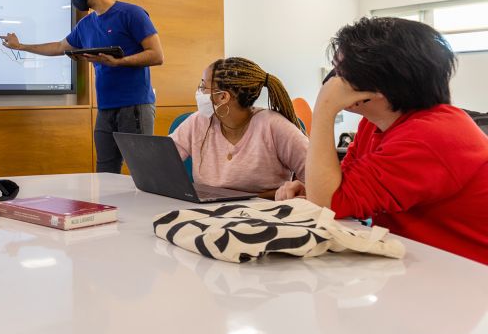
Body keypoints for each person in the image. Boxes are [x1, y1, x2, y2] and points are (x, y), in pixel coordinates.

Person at [276, 17, 488, 265]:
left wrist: (324, 107)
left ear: (380, 82)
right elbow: (340, 194)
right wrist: (312, 191)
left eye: (342, 72)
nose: (333, 80)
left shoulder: (433, 135)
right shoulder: (374, 124)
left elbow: (329, 202)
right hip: (416, 266)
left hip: (467, 277)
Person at [0, 0, 163, 173]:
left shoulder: (131, 14)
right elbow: (59, 47)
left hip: (135, 106)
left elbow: (157, 55)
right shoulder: (86, 24)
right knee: (105, 172)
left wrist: (118, 62)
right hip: (105, 108)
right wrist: (20, 46)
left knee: (143, 172)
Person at [171, 57, 308, 197]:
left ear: (223, 97)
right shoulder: (198, 122)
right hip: (208, 213)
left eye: (203, 87)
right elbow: (159, 161)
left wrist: (272, 195)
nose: (199, 92)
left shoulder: (274, 126)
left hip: (263, 214)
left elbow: (318, 178)